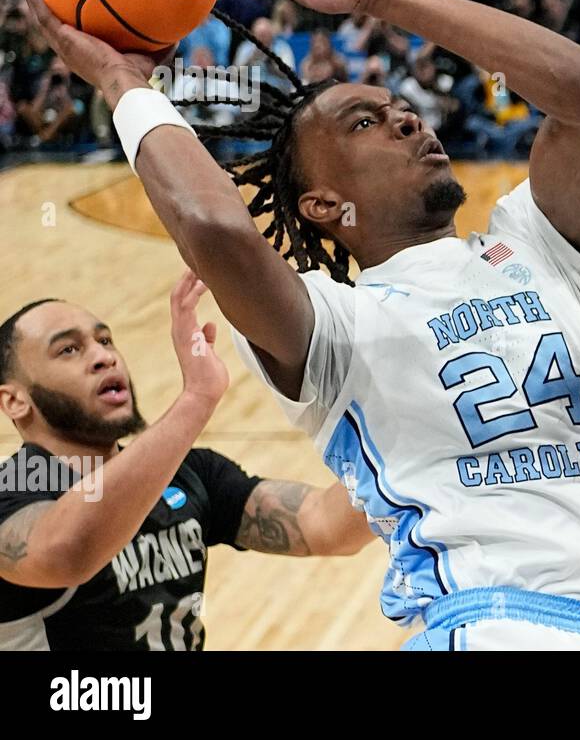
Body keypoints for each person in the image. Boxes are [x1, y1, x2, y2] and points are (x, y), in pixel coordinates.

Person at [24, 0, 580, 652]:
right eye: (367, 122)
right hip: (488, 627)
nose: (406, 123)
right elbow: (218, 230)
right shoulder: (332, 326)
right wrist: (123, 81)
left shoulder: (543, 250)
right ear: (321, 204)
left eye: (404, 112)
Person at [0, 271, 373, 650]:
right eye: (68, 349)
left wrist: (405, 444)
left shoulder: (189, 474)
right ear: (14, 400)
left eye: (105, 339)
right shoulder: (10, 492)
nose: (103, 356)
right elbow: (66, 553)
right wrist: (197, 397)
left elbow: (323, 525)